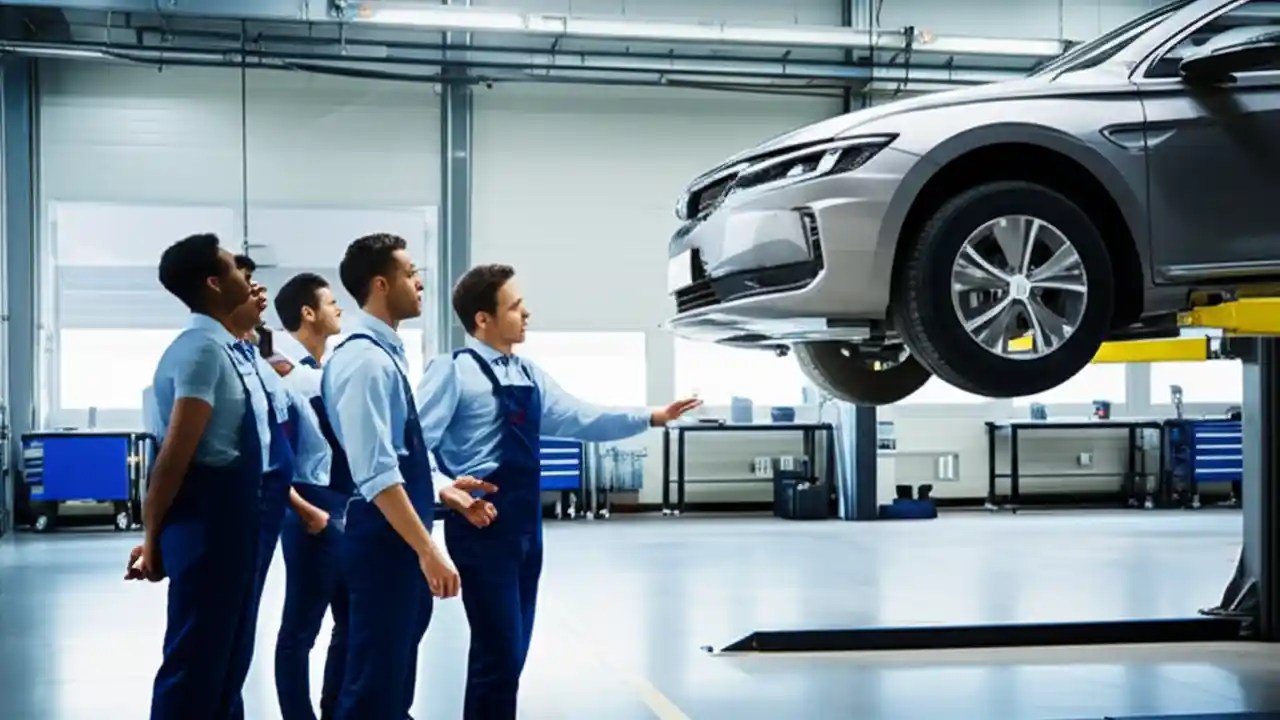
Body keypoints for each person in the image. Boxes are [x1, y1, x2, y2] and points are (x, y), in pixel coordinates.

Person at [416, 263, 701, 719]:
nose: (526, 314)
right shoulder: (452, 372)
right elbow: (413, 448)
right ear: (483, 319)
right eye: (514, 306)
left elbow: (579, 417)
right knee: (499, 654)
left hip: (527, 526)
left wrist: (652, 416)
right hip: (482, 525)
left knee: (514, 654)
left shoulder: (528, 374)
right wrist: (446, 488)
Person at [319, 233, 486, 719]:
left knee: (387, 678)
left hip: (394, 539)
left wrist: (442, 488)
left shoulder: (385, 354)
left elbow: (398, 453)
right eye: (410, 272)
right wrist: (427, 549)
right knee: (375, 685)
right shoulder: (364, 363)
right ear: (380, 284)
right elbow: (375, 474)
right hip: (383, 544)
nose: (419, 282)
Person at [125, 233, 278, 719]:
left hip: (237, 521)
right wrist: (153, 540)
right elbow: (172, 459)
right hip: (211, 523)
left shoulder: (229, 349)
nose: (246, 277)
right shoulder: (201, 352)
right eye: (236, 268)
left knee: (228, 661)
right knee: (196, 662)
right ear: (214, 283)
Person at [269, 272, 350, 720]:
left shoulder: (322, 371)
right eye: (331, 302)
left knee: (351, 617)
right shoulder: (284, 375)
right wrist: (302, 510)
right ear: (308, 312)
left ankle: (338, 707)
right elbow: (274, 454)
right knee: (301, 627)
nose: (339, 309)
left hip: (343, 500)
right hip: (308, 504)